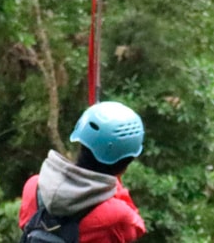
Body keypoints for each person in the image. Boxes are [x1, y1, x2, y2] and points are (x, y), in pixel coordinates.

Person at [18, 101, 146, 243]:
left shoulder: (35, 186)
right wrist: (115, 188)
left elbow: (25, 224)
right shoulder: (118, 215)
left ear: (81, 143)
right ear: (126, 164)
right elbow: (136, 229)